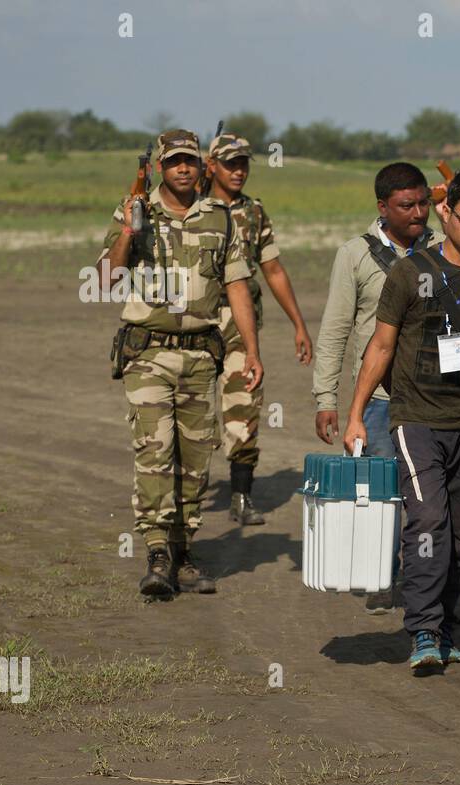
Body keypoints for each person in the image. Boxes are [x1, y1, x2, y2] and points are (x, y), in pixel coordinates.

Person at [342, 166, 460, 672]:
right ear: (446, 213)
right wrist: (355, 414)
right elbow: (381, 345)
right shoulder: (409, 273)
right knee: (428, 519)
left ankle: (445, 623)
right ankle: (423, 630)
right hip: (415, 418)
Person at [99, 129, 263, 600]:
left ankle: (183, 552)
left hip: (200, 355)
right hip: (148, 354)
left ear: (201, 165)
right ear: (160, 168)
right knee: (155, 452)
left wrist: (251, 352)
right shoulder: (136, 211)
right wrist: (128, 231)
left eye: (190, 160)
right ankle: (157, 553)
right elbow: (107, 278)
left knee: (194, 460)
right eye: (173, 162)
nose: (183, 169)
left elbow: (237, 285)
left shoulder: (219, 217)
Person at [312, 163, 442, 612]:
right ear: (383, 207)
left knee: (429, 494)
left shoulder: (443, 249)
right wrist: (326, 399)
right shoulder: (354, 255)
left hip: (435, 396)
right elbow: (335, 330)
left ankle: (427, 578)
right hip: (380, 400)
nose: (419, 213)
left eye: (424, 203)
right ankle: (383, 575)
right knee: (383, 491)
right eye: (407, 206)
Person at [205, 133, 313, 525]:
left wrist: (299, 324)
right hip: (193, 323)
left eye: (243, 163)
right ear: (211, 166)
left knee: (244, 405)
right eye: (229, 163)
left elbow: (273, 269)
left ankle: (241, 496)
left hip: (241, 324)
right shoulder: (192, 208)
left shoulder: (253, 212)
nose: (238, 171)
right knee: (192, 410)